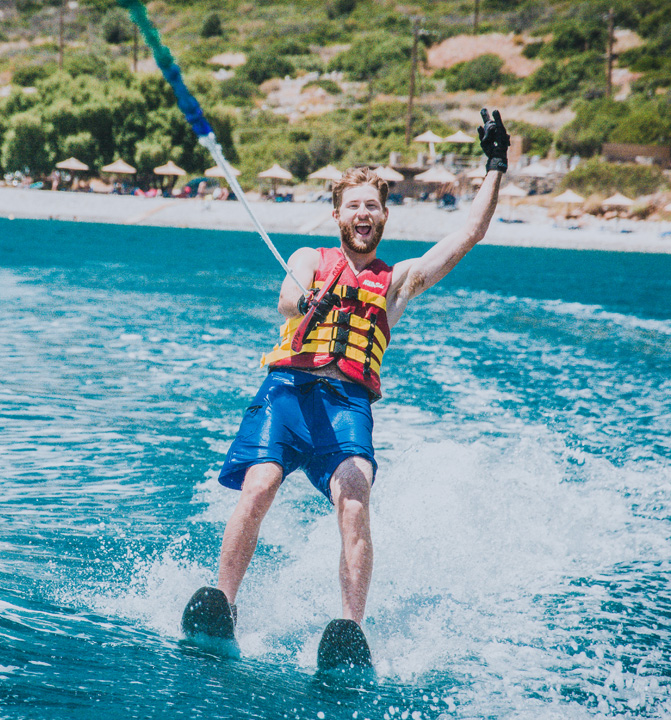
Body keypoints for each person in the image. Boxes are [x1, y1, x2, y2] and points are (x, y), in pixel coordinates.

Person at [197, 109, 511, 645]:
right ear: (338, 213)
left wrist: (496, 165)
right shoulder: (309, 257)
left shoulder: (398, 282)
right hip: (289, 393)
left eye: (372, 205)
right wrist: (307, 300)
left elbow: (469, 234)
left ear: (384, 215)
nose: (362, 213)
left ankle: (349, 628)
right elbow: (286, 297)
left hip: (347, 403)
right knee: (260, 484)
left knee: (355, 497)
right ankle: (222, 604)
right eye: (353, 206)